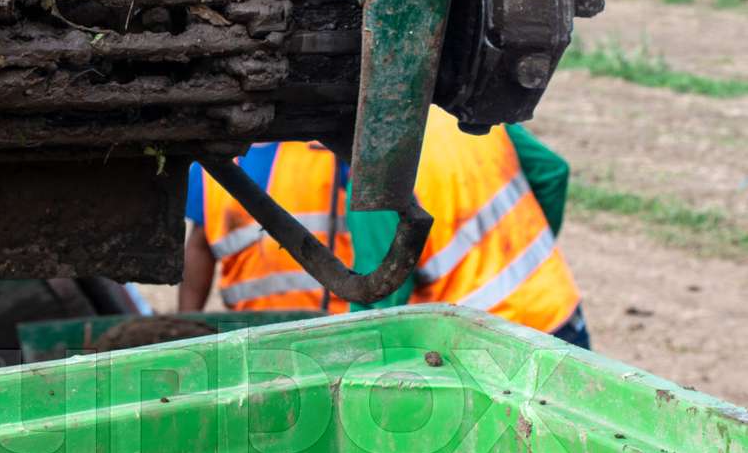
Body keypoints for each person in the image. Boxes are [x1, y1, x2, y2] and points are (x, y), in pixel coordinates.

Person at [348, 108, 589, 346]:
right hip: (554, 307)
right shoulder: (466, 113)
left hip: (490, 343)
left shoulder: (377, 177)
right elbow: (551, 172)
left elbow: (379, 298)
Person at [180, 140, 351, 314]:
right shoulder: (207, 167)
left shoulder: (329, 150)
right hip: (246, 327)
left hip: (331, 322)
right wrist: (183, 328)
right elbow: (200, 247)